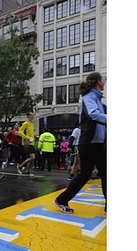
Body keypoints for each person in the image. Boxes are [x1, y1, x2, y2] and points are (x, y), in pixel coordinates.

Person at [53, 72, 107, 214]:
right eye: (103, 79)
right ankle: (62, 200)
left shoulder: (99, 100)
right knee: (85, 174)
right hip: (89, 143)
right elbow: (93, 115)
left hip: (98, 143)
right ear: (97, 82)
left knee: (106, 173)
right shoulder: (89, 97)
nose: (105, 81)